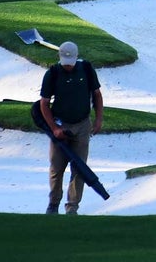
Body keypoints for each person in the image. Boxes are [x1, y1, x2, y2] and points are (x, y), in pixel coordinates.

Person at [39, 41, 103, 215]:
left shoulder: (86, 69)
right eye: (65, 63)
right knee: (56, 167)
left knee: (79, 168)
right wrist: (54, 128)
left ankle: (72, 207)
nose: (68, 66)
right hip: (60, 125)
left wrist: (98, 119)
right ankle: (53, 204)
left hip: (82, 124)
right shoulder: (52, 73)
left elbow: (97, 94)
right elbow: (44, 104)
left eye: (71, 63)